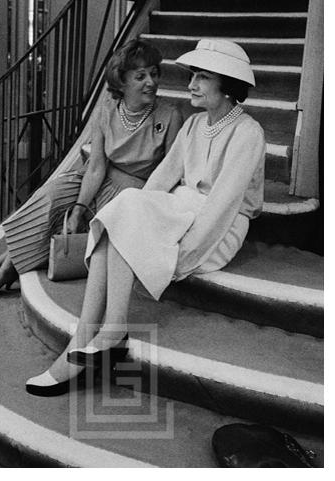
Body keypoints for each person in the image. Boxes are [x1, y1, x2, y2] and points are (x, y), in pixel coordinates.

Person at [26, 38, 265, 396]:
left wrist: (184, 255)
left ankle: (100, 336)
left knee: (128, 215)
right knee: (124, 208)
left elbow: (223, 206)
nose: (191, 84)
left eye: (201, 77)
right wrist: (139, 214)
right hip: (180, 209)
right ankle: (97, 332)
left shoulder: (249, 132)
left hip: (221, 228)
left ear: (227, 85)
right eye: (193, 76)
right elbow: (162, 179)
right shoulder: (195, 123)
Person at [0, 39, 183, 299]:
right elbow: (95, 167)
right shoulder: (106, 111)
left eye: (154, 73)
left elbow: (169, 174)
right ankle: (1, 266)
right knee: (50, 197)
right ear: (122, 81)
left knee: (70, 226)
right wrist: (79, 208)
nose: (151, 82)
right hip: (97, 176)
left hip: (132, 192)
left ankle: (1, 269)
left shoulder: (170, 116)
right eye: (140, 76)